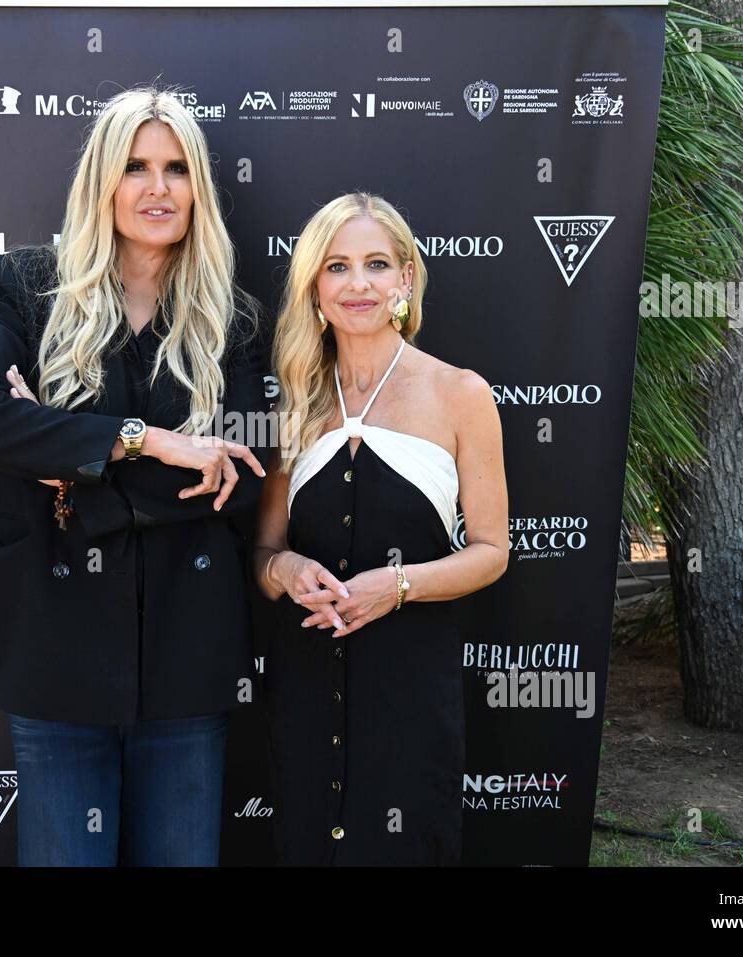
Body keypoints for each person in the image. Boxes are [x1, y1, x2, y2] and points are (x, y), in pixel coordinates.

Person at [0, 86, 272, 867]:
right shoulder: (29, 286)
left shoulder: (233, 319)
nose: (156, 189)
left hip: (185, 642)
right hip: (51, 637)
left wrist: (62, 459)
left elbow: (233, 477)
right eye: (135, 166)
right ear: (102, 179)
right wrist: (151, 440)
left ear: (199, 187)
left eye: (175, 169)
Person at [253, 192, 508, 865]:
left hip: (409, 690)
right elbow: (265, 549)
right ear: (314, 285)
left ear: (405, 278)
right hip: (303, 686)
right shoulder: (295, 399)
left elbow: (491, 552)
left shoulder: (461, 394)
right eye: (337, 266)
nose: (357, 283)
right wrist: (282, 571)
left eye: (375, 264)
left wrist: (395, 585)